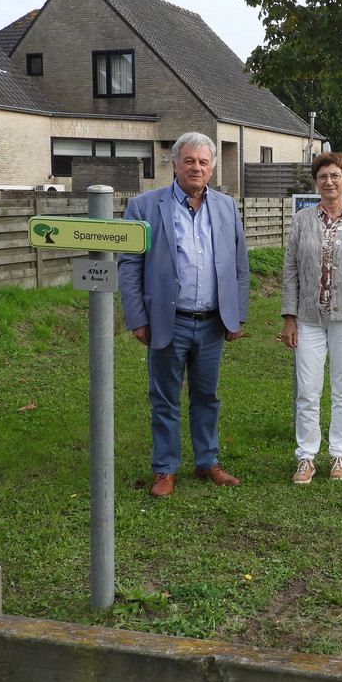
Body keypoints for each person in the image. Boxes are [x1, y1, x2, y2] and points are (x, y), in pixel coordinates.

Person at [117, 132, 249, 497]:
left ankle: (207, 461)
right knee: (164, 398)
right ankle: (165, 468)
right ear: (175, 164)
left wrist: (236, 314)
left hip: (211, 323)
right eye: (189, 161)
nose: (196, 168)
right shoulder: (144, 207)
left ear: (212, 168)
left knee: (207, 396)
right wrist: (137, 318)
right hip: (167, 322)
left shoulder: (226, 207)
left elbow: (239, 264)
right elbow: (129, 268)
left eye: (203, 162)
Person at [281, 152, 342, 484]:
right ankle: (306, 457)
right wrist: (289, 317)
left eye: (335, 175)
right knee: (307, 390)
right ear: (316, 182)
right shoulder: (302, 220)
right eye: (322, 176)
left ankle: (339, 453)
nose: (329, 181)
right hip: (308, 318)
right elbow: (291, 270)